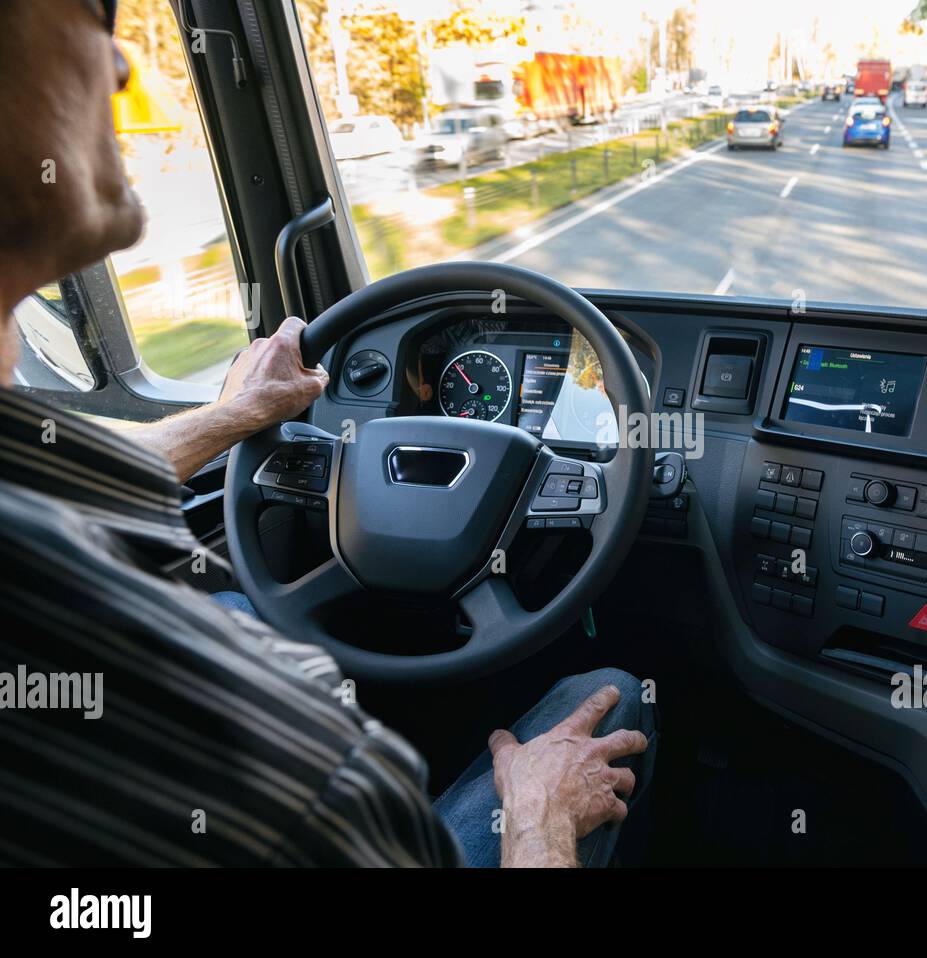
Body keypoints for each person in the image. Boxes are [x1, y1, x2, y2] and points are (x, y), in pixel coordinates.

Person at [0, 0, 654, 867]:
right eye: (90, 10)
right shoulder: (305, 781)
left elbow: (54, 488)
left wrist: (239, 415)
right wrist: (537, 816)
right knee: (604, 694)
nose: (119, 65)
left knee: (237, 602)